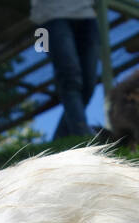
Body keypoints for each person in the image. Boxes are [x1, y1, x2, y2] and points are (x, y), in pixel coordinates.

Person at [31, 1, 99, 140]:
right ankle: (82, 135)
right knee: (70, 78)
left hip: (86, 13)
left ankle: (60, 139)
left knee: (88, 84)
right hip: (49, 17)